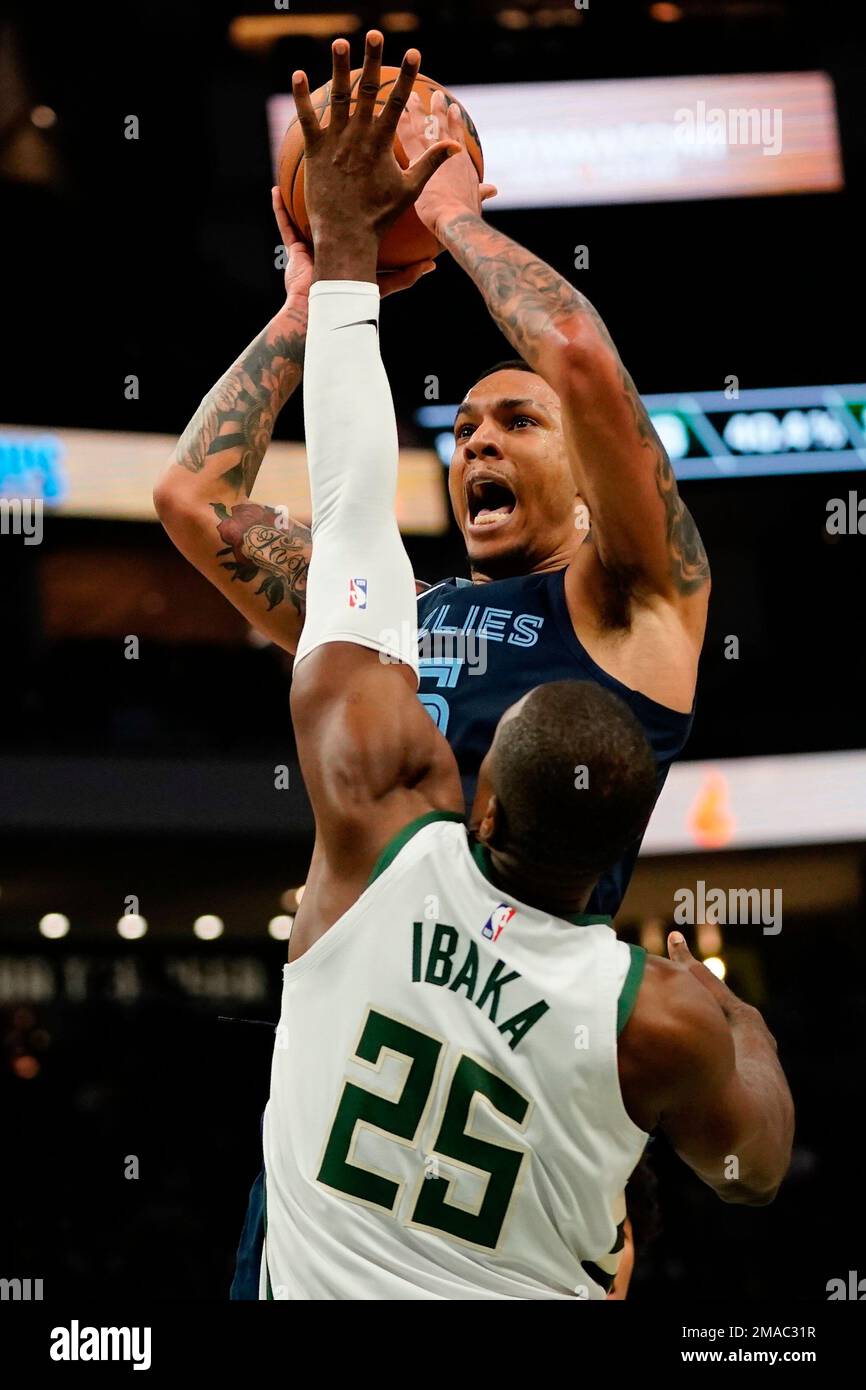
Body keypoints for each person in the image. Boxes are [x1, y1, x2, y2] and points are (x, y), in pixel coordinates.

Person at [256, 33, 793, 1300]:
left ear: (472, 788)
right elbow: (750, 1165)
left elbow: (342, 510)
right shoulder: (649, 1021)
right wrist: (724, 1018)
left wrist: (343, 258)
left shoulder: (373, 832)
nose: (475, 441)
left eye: (512, 419)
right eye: (465, 425)